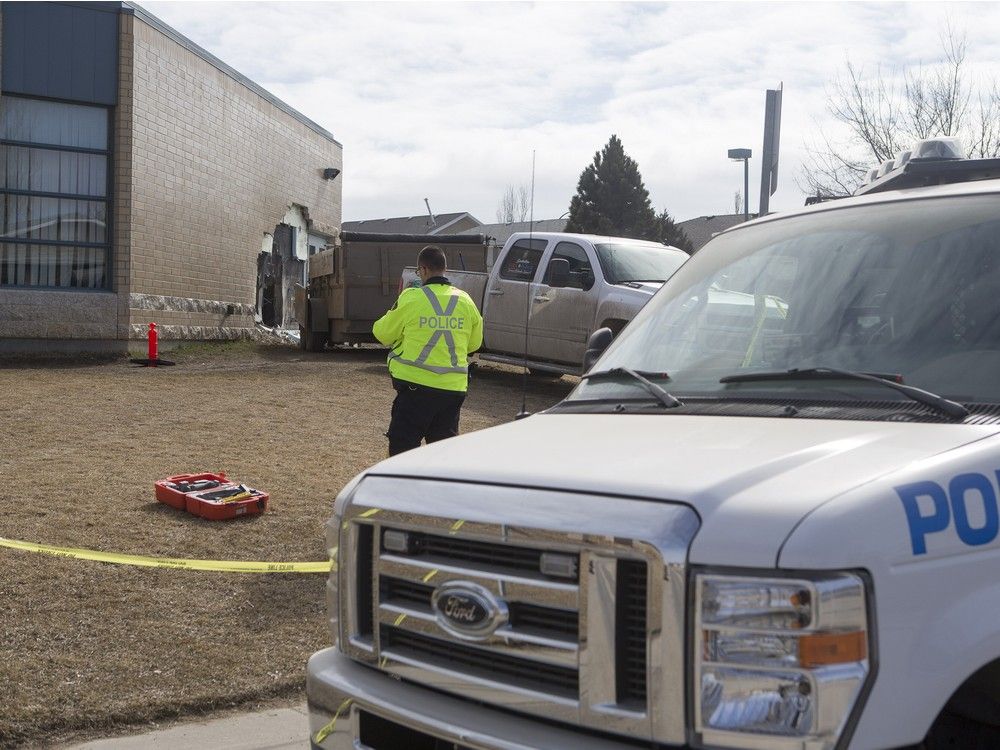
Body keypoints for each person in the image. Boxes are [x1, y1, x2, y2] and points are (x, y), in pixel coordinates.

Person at [373, 245, 484, 456]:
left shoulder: (412, 298)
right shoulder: (466, 301)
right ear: (445, 269)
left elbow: (382, 333)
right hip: (453, 391)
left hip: (416, 391)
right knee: (442, 455)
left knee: (402, 451)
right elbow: (474, 344)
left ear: (423, 270)